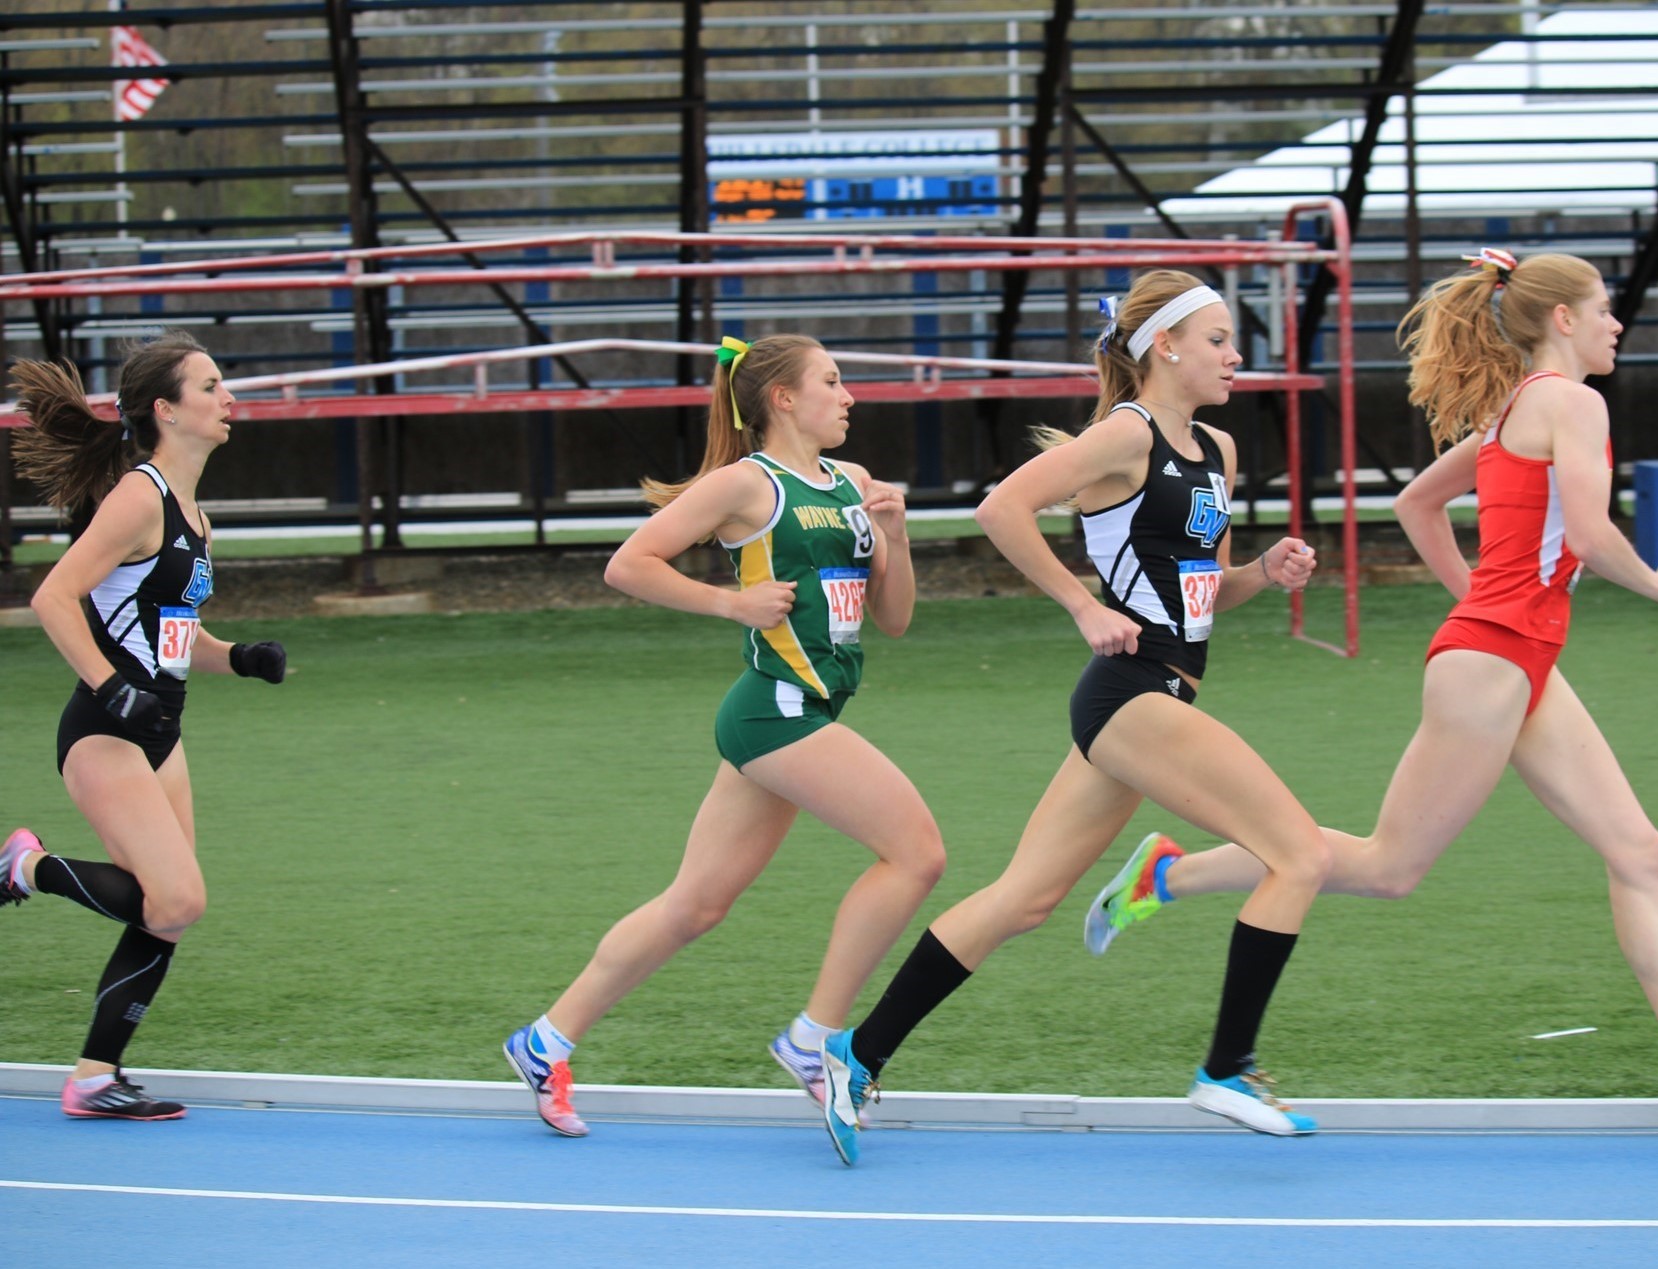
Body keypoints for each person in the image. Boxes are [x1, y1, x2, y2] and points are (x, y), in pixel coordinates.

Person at [1086, 249, 1658, 1119]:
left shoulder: (1514, 411)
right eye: (1606, 308)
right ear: (1564, 320)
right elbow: (1584, 531)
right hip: (1493, 662)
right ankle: (1170, 874)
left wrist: (1484, 604)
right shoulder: (1571, 404)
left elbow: (1416, 506)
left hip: (1515, 653)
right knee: (1390, 867)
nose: (1619, 323)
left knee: (1638, 850)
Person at [814, 270, 1326, 1166]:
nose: (1236, 355)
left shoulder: (1219, 450)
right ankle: (1227, 1069)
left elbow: (1202, 593)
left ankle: (854, 1056)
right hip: (1130, 695)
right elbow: (1000, 506)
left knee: (1025, 899)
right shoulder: (1121, 436)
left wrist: (1264, 575)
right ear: (1164, 346)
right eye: (1217, 339)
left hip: (1161, 692)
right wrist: (1081, 606)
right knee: (1300, 855)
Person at [501, 334, 945, 1137]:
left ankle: (545, 1039)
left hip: (808, 708)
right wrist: (730, 604)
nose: (850, 396)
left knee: (696, 904)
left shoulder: (853, 483)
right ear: (783, 398)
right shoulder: (747, 483)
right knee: (917, 851)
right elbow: (629, 564)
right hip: (775, 710)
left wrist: (897, 536)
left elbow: (897, 618)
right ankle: (814, 1041)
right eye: (833, 381)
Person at [2, 332, 288, 1120]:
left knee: (164, 910)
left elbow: (175, 635)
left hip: (161, 730)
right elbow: (54, 599)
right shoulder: (139, 495)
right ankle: (23, 868)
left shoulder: (196, 515)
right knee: (178, 899)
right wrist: (109, 687)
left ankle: (96, 1077)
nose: (229, 397)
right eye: (211, 385)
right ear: (167, 409)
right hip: (104, 729)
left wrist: (240, 656)